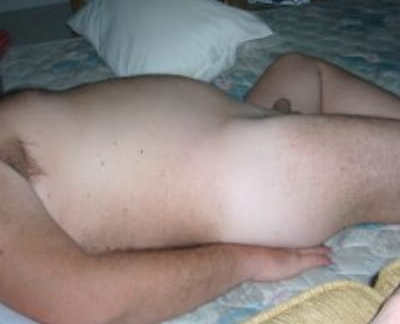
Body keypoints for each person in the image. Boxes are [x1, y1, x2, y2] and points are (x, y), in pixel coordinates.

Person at [0, 52, 400, 324]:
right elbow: (81, 300)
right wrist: (248, 261)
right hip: (268, 170)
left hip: (249, 129)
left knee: (297, 70)